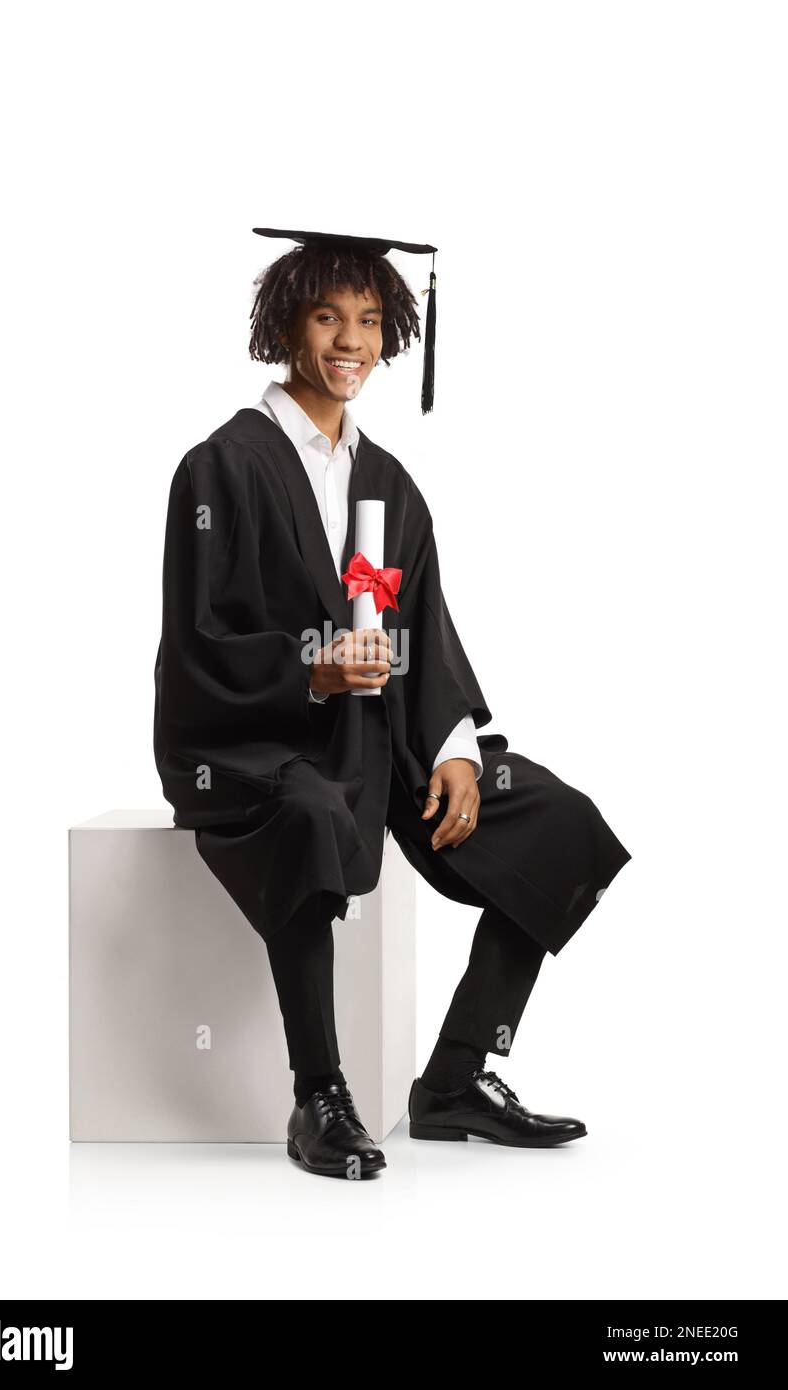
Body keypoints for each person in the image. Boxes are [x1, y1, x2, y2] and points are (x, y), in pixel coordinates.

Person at [153, 227, 631, 1179]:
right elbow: (197, 640)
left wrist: (452, 744)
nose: (350, 341)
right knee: (309, 813)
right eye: (328, 315)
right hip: (256, 741)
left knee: (556, 823)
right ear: (285, 321)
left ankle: (453, 1081)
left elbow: (427, 631)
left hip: (380, 735)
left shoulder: (387, 480)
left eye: (369, 320)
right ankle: (317, 1096)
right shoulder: (222, 468)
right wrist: (311, 672)